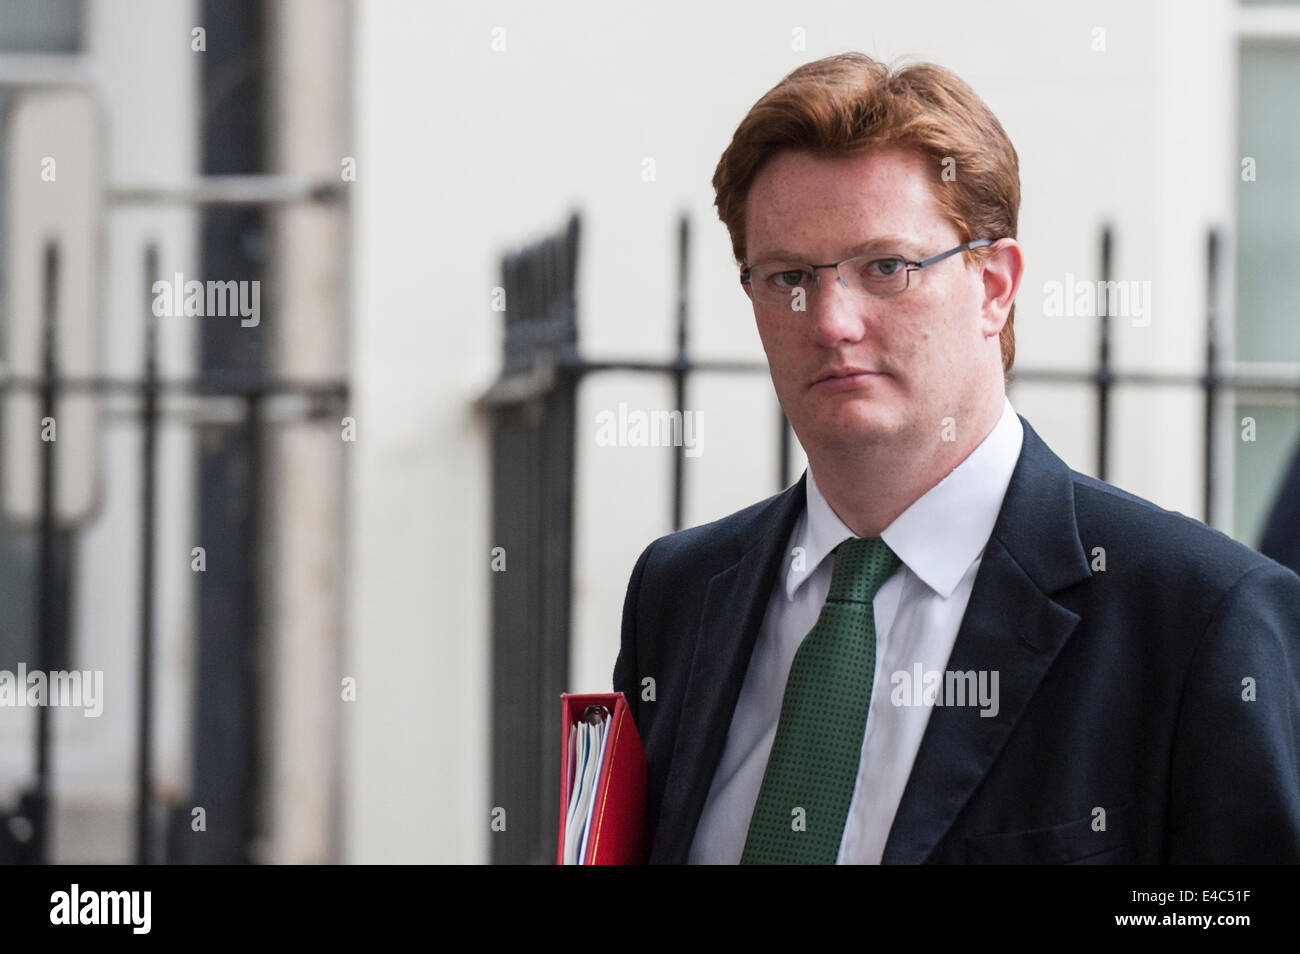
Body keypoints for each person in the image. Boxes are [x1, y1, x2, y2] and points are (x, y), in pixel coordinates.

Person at [612, 52, 1300, 864]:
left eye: (886, 268)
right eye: (789, 276)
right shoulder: (679, 593)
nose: (831, 319)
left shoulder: (1197, 617)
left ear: (996, 285)